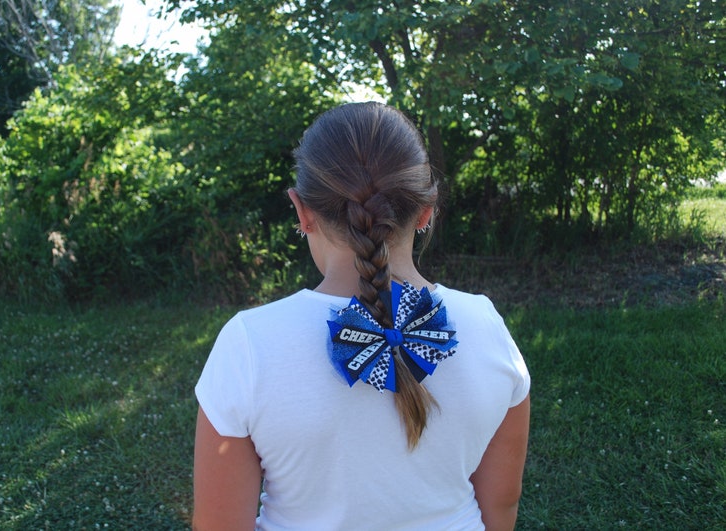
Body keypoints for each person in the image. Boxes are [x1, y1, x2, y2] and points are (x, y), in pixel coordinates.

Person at [193, 102, 531, 530]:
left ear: (301, 210)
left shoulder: (249, 343)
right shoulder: (486, 325)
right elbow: (500, 507)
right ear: (427, 209)